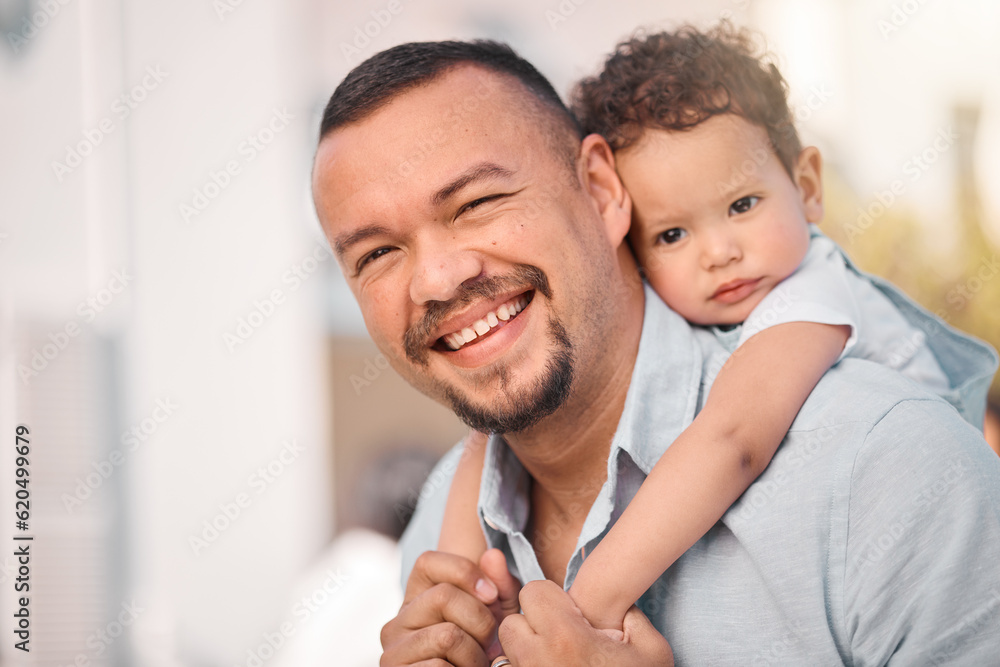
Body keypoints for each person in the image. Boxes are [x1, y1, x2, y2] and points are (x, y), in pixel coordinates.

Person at [311, 35, 1000, 667]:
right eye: (376, 253)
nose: (437, 278)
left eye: (476, 203)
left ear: (603, 191)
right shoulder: (438, 527)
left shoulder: (890, 467)